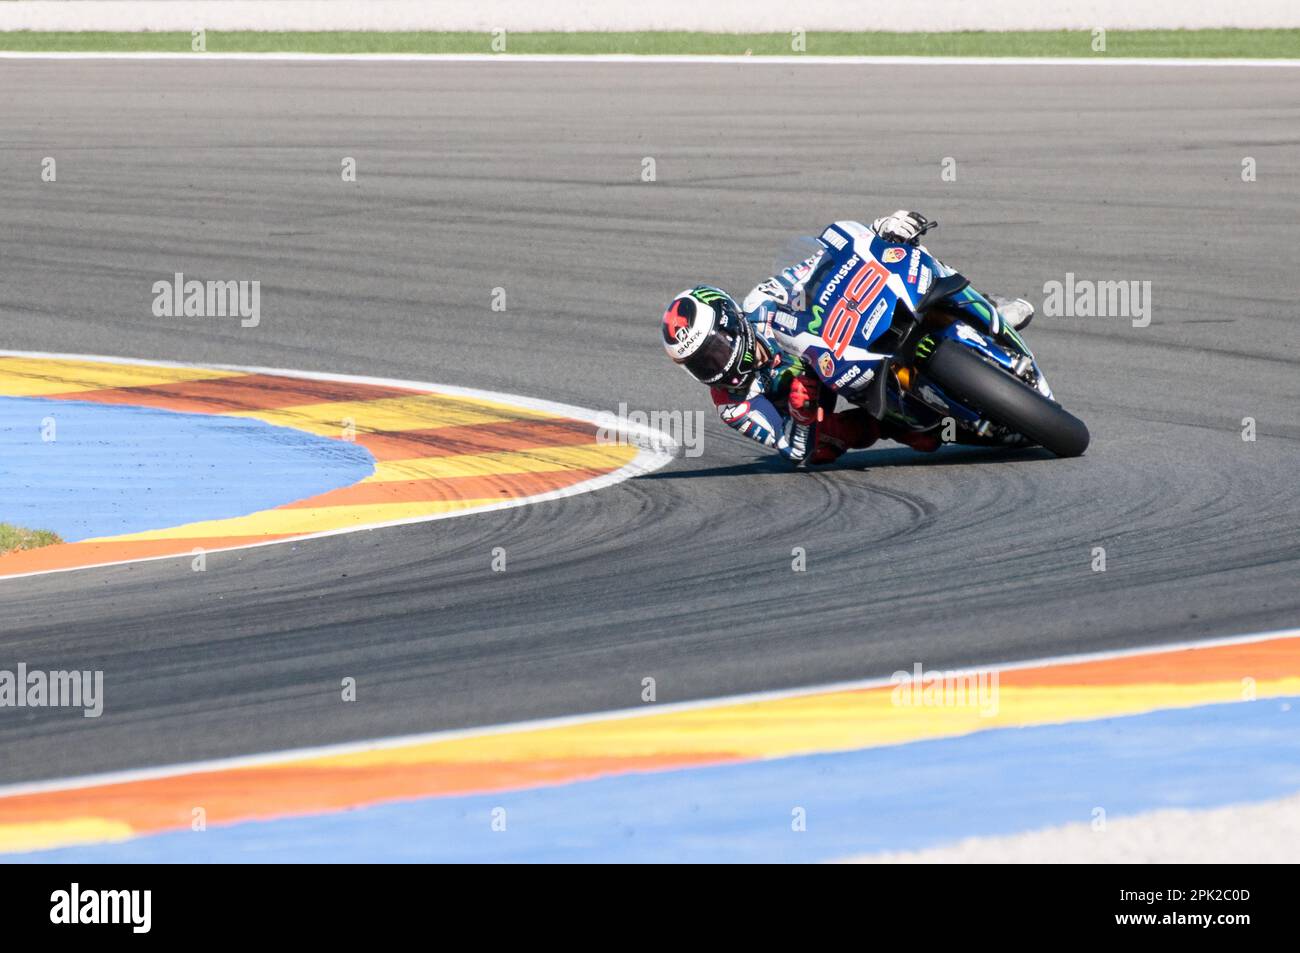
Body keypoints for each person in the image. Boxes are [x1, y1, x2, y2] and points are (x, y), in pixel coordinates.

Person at [660, 211, 1035, 464]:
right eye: (701, 364)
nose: (716, 365)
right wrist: (802, 415)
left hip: (835, 342)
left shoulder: (761, 302)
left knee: (907, 268)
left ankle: (980, 303)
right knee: (882, 442)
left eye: (713, 351)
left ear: (731, 322)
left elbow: (815, 267)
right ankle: (902, 421)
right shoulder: (733, 405)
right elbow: (793, 451)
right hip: (822, 393)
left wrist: (879, 237)